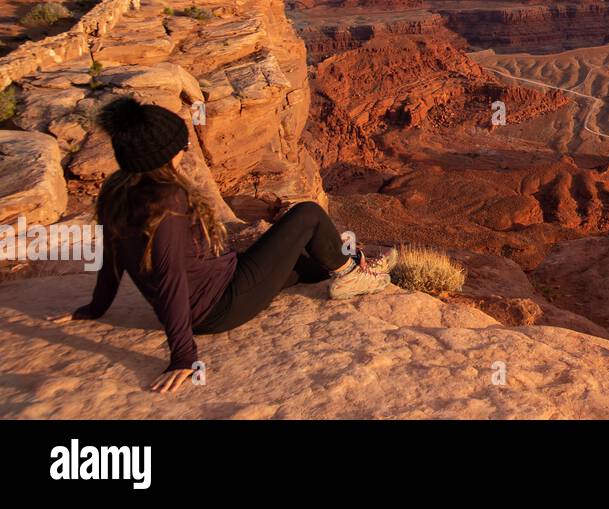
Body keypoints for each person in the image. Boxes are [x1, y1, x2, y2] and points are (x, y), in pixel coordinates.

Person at [48, 96, 391, 393]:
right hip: (221, 305)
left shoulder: (116, 190)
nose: (184, 151)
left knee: (306, 264)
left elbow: (112, 258)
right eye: (179, 147)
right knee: (308, 214)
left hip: (224, 283)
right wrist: (184, 357)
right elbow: (170, 279)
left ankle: (351, 263)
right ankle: (353, 272)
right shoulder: (165, 201)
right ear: (160, 156)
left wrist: (94, 308)